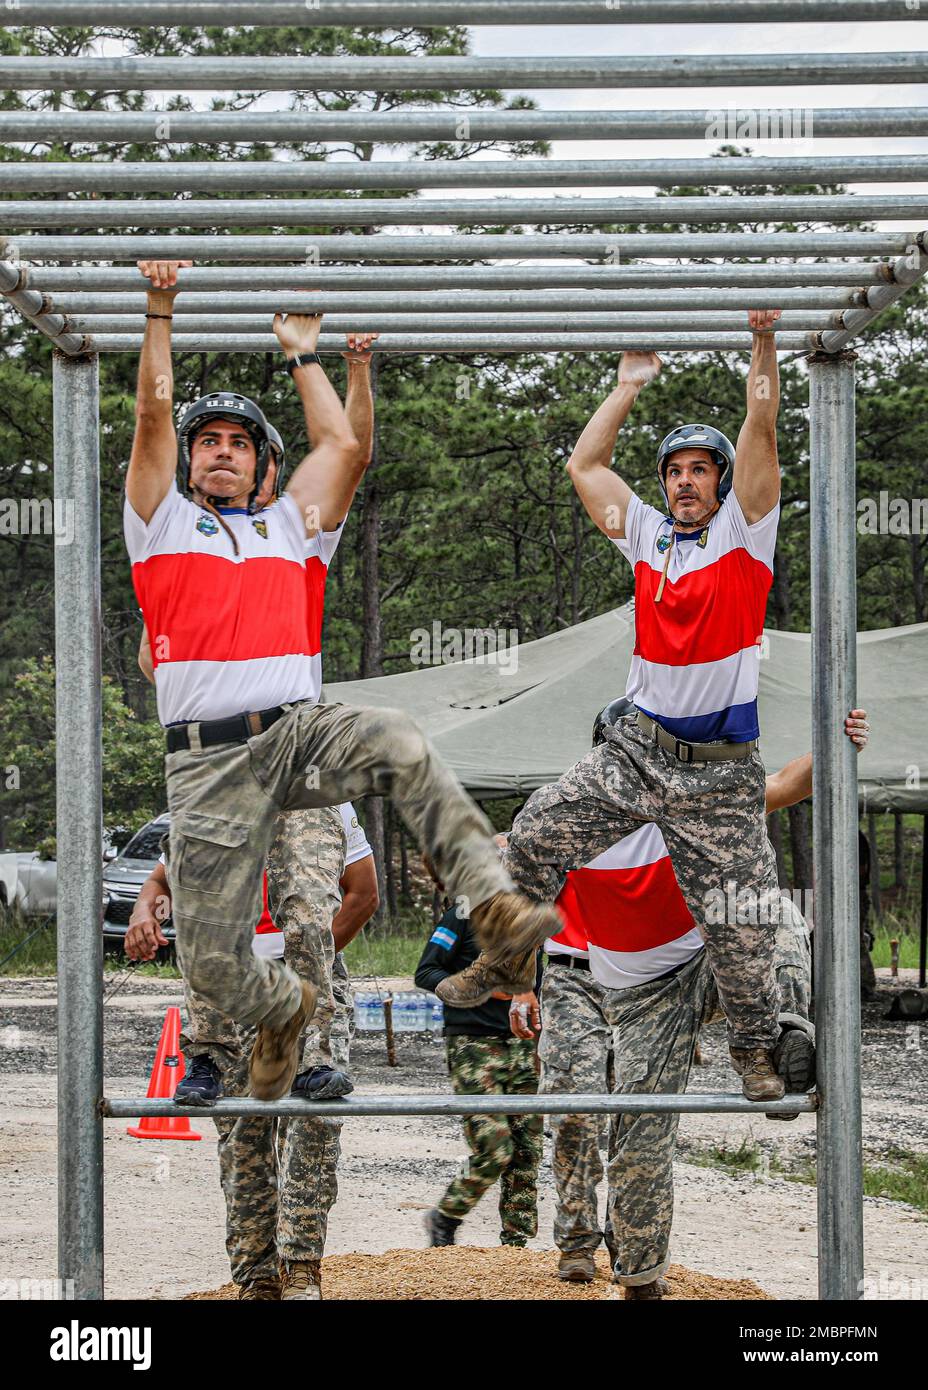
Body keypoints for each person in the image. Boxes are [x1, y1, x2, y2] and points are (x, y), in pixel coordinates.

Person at [124, 258, 558, 1101]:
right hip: (208, 765)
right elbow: (150, 411)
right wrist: (159, 308)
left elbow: (346, 445)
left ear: (262, 468)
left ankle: (492, 902)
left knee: (397, 737)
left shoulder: (294, 528)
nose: (220, 452)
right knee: (212, 955)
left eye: (239, 444)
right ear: (189, 462)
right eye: (207, 441)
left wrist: (303, 353)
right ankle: (278, 1014)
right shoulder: (162, 523)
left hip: (294, 733)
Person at [445, 316, 793, 1104]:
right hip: (634, 750)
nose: (685, 483)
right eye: (675, 471)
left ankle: (754, 1050)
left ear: (724, 483)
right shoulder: (646, 537)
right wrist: (629, 381)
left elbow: (763, 425)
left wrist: (763, 348)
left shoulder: (746, 534)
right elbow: (585, 463)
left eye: (702, 471)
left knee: (742, 923)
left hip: (720, 773)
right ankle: (502, 962)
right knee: (533, 832)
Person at [510, 699, 870, 1296]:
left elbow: (782, 782)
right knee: (639, 1134)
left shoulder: (693, 798)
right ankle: (640, 1278)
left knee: (770, 910)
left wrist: (840, 741)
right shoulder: (577, 816)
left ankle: (776, 1040)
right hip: (642, 993)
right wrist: (521, 981)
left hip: (710, 957)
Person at [126, 802, 378, 1300]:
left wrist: (306, 970)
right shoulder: (210, 795)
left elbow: (364, 894)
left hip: (302, 988)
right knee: (244, 1137)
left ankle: (302, 1268)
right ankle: (256, 1276)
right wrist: (143, 910)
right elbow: (160, 883)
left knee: (312, 1124)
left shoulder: (324, 800)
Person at [414, 874, 543, 1251]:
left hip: (524, 1045)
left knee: (526, 1152)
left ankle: (516, 1247)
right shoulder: (463, 911)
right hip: (473, 1045)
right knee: (494, 1147)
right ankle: (446, 1215)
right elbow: (426, 972)